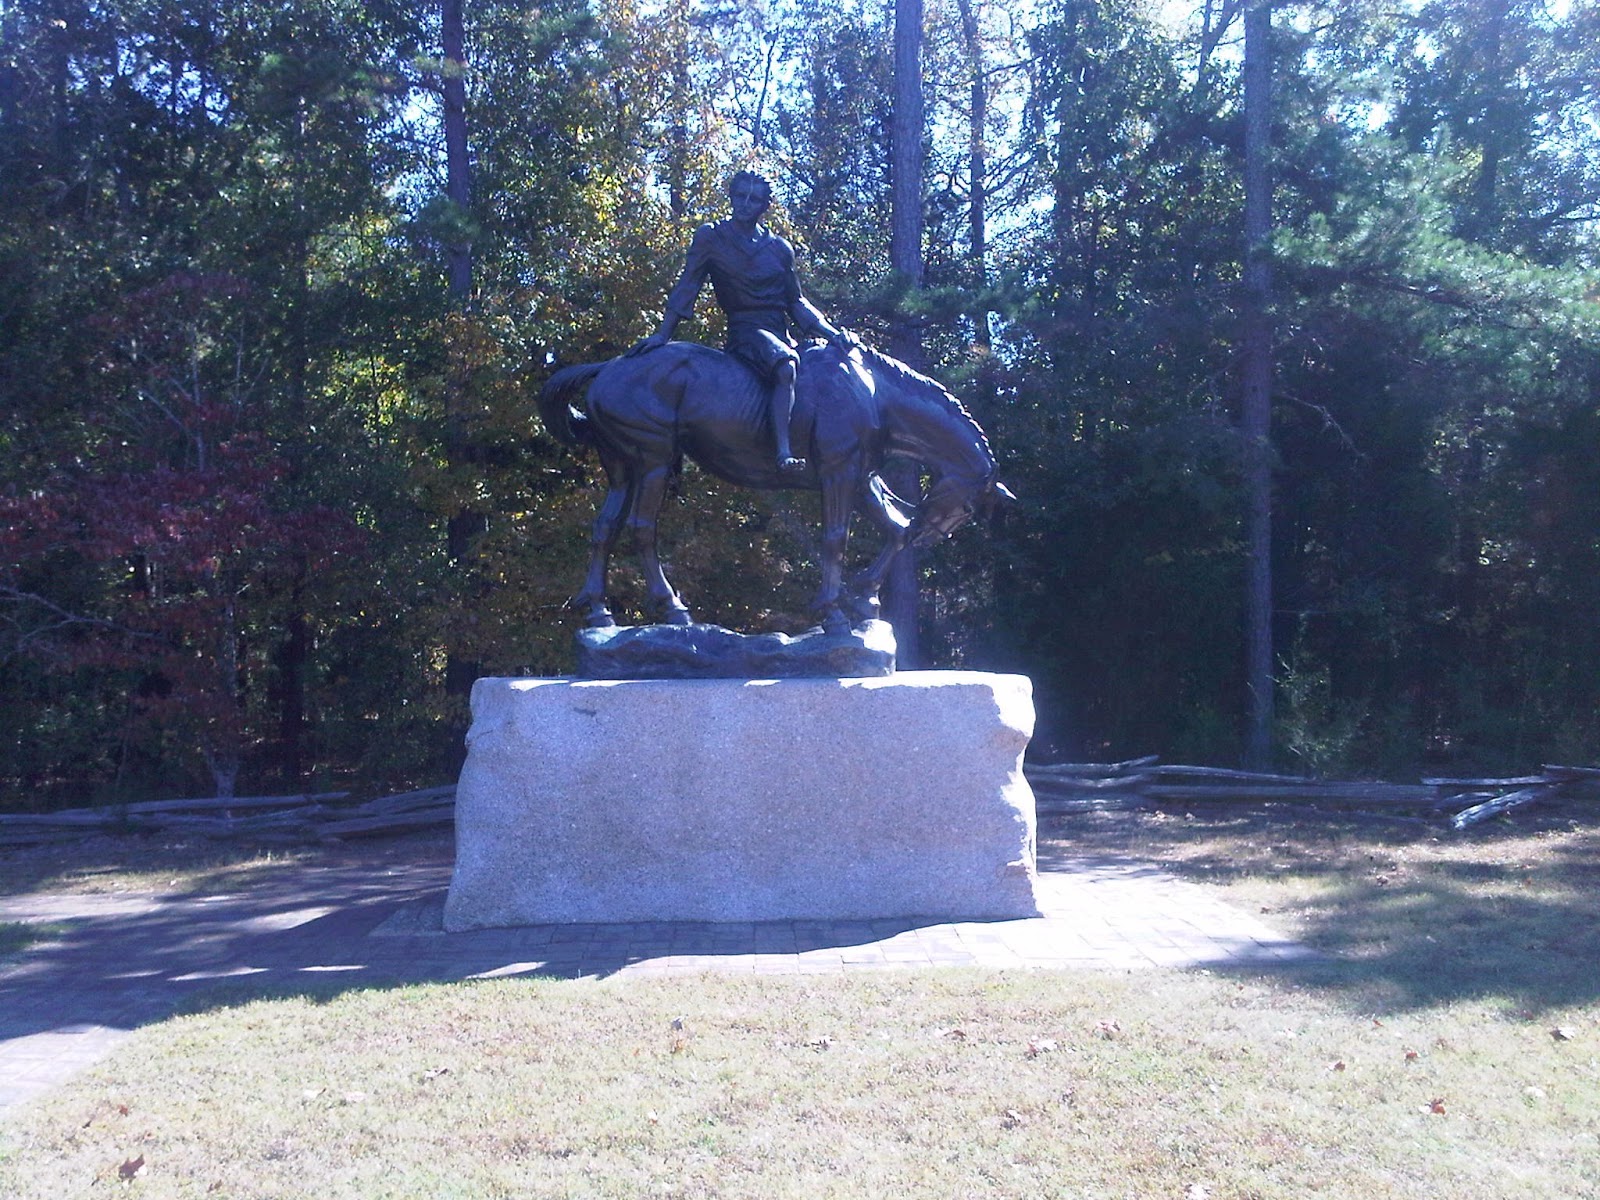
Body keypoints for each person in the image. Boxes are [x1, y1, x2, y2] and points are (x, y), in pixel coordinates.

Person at [630, 171, 857, 474]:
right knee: (786, 366)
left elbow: (796, 302)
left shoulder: (779, 249)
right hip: (746, 330)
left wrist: (832, 334)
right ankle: (783, 453)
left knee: (830, 374)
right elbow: (689, 284)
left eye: (754, 199)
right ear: (731, 196)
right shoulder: (712, 236)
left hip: (780, 332)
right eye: (740, 196)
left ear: (765, 205)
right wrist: (663, 334)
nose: (745, 204)